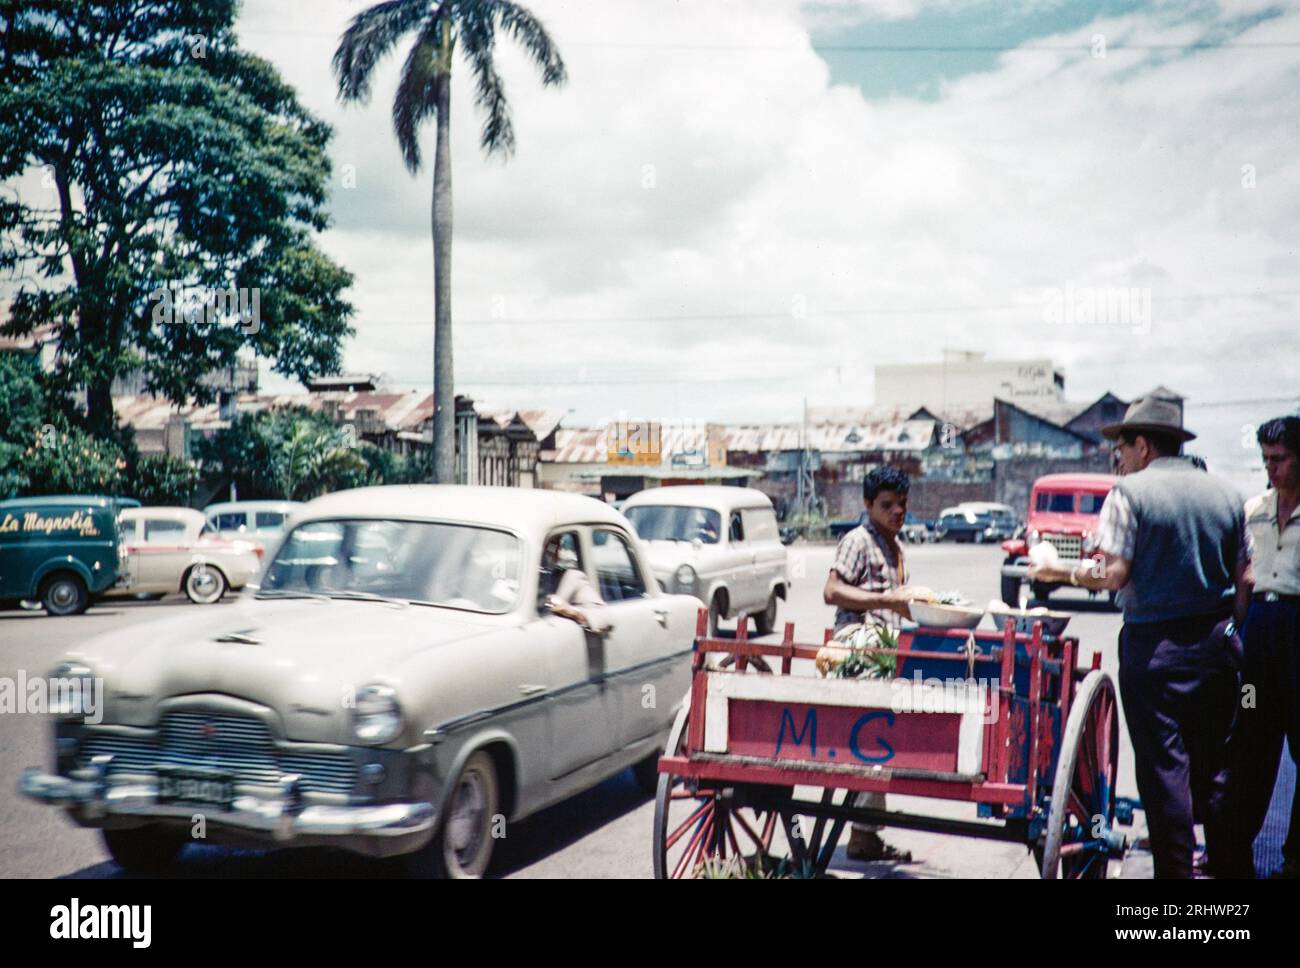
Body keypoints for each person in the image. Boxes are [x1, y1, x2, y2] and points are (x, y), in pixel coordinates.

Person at [1028, 395, 1249, 878]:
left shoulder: (1129, 494)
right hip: (1218, 647)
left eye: (1122, 450)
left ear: (1144, 446)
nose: (1119, 460)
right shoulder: (1229, 495)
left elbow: (1113, 571)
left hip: (1155, 651)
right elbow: (1245, 579)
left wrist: (1057, 569)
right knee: (1216, 771)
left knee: (1165, 771)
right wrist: (1230, 631)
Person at [822, 466, 935, 862]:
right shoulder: (858, 540)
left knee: (886, 740)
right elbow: (832, 590)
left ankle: (865, 835)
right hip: (856, 650)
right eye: (887, 505)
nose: (896, 512)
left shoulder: (897, 549)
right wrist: (886, 601)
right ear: (868, 505)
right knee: (878, 737)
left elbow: (902, 606)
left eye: (902, 505)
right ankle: (864, 834)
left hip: (888, 655)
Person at [1222, 415, 1300, 878]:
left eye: (1281, 459)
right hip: (1258, 635)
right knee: (1251, 735)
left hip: (1296, 632)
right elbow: (1241, 580)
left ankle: (1295, 856)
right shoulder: (1254, 510)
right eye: (1266, 460)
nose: (1271, 468)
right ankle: (1234, 850)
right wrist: (1234, 631)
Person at [539, 534, 610, 634]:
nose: (547, 552)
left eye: (553, 545)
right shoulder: (515, 581)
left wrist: (573, 613)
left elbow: (602, 620)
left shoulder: (572, 578)